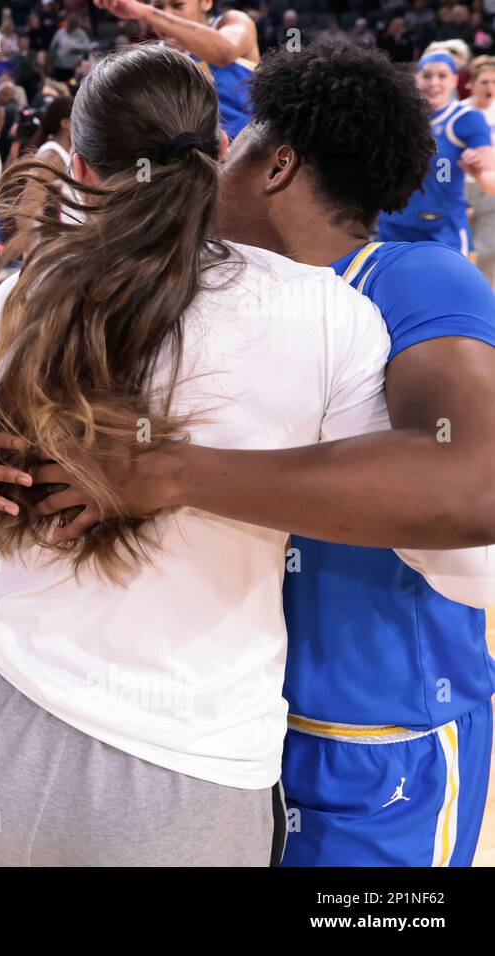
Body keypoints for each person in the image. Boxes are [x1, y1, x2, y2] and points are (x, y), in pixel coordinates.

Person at [0, 44, 392, 866]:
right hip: (190, 762)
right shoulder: (329, 312)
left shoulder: (19, 300)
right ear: (217, 154)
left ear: (79, 164)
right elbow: (387, 501)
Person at [59, 38, 495, 866]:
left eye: (236, 148)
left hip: (377, 742)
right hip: (227, 734)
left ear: (278, 164)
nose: (212, 167)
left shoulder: (414, 278)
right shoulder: (204, 291)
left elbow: (477, 481)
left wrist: (169, 473)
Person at [378, 41, 495, 253]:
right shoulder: (397, 116)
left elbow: (490, 184)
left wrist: (477, 173)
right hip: (394, 225)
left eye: (442, 76)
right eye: (427, 75)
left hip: (443, 228)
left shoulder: (467, 118)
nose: (434, 83)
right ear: (416, 78)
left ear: (454, 80)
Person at [94, 0, 259, 138]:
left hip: (254, 158)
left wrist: (148, 13)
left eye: (178, 5)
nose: (167, 15)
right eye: (159, 7)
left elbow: (225, 52)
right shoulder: (153, 59)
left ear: (207, 2)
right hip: (201, 166)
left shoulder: (233, 21)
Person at [466, 56, 495, 286]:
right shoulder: (459, 112)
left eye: (494, 82)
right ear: (471, 84)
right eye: (484, 82)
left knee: (489, 251)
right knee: (461, 251)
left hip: (491, 188)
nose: (490, 87)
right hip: (460, 186)